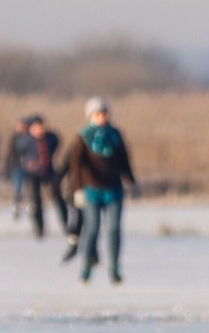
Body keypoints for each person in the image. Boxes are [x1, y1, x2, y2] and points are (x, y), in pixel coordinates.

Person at [60, 97, 138, 285]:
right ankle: (86, 268)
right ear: (91, 116)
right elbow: (75, 165)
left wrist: (131, 181)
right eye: (98, 113)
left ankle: (114, 268)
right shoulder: (83, 136)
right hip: (91, 190)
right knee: (92, 228)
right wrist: (77, 190)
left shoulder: (115, 134)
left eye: (104, 113)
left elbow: (124, 161)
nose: (102, 116)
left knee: (113, 230)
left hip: (114, 190)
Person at [15, 115, 69, 239]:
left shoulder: (50, 138)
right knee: (36, 200)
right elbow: (18, 150)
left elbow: (56, 142)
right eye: (37, 127)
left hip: (48, 171)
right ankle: (39, 227)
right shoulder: (25, 140)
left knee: (58, 198)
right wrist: (29, 163)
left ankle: (66, 224)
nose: (40, 129)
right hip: (33, 173)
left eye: (42, 126)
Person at [7, 116, 33, 221]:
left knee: (28, 186)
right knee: (17, 187)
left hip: (27, 167)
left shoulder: (31, 138)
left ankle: (30, 202)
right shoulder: (14, 138)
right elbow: (10, 153)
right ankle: (16, 203)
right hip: (16, 166)